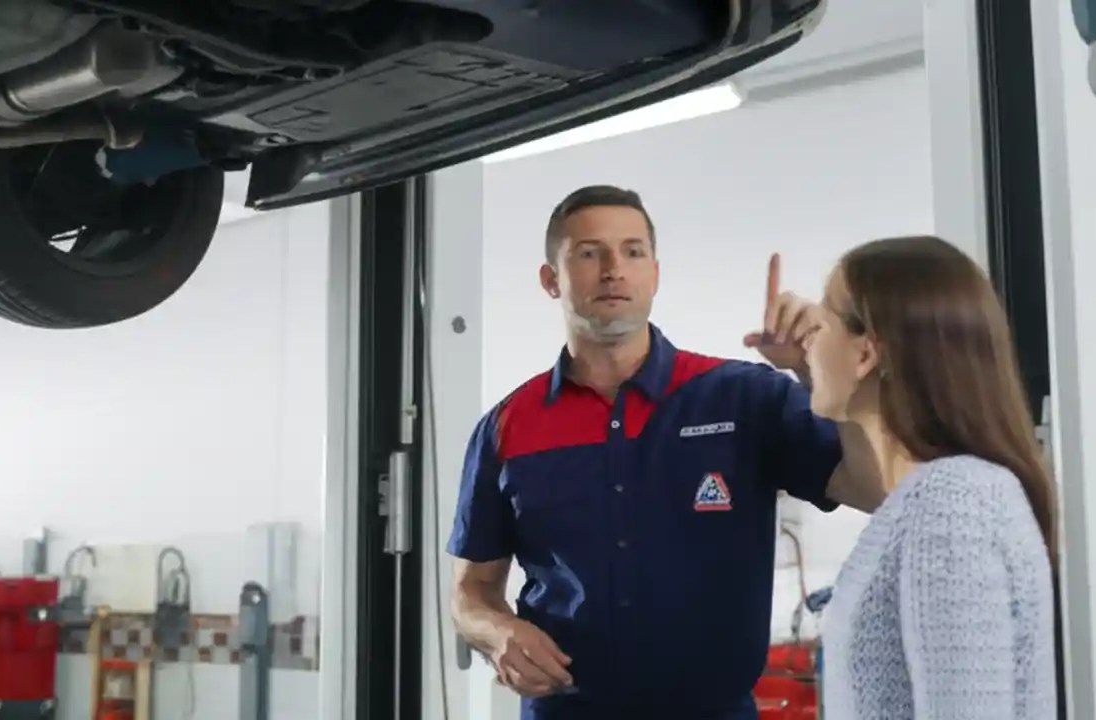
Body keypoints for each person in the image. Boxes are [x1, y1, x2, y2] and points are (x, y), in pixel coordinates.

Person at [446, 184, 882, 720]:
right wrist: (498, 632)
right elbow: (471, 592)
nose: (614, 270)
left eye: (632, 251)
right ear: (550, 279)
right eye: (589, 253)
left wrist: (821, 375)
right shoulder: (508, 427)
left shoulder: (745, 399)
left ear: (654, 274)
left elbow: (873, 488)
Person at [792, 235, 1058, 718]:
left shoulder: (953, 502)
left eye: (822, 322)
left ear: (866, 354)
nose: (808, 341)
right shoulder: (945, 496)